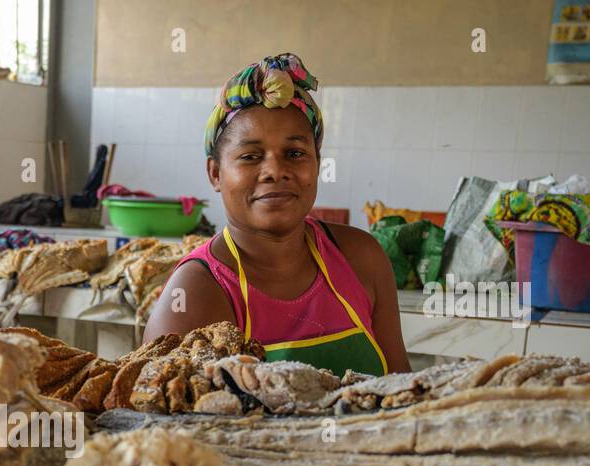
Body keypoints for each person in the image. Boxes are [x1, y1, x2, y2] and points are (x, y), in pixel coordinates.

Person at [145, 54, 410, 375]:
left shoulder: (361, 258)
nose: (274, 170)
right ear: (215, 174)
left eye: (295, 153)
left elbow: (402, 389)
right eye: (251, 156)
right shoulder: (195, 293)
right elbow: (171, 421)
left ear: (316, 163)